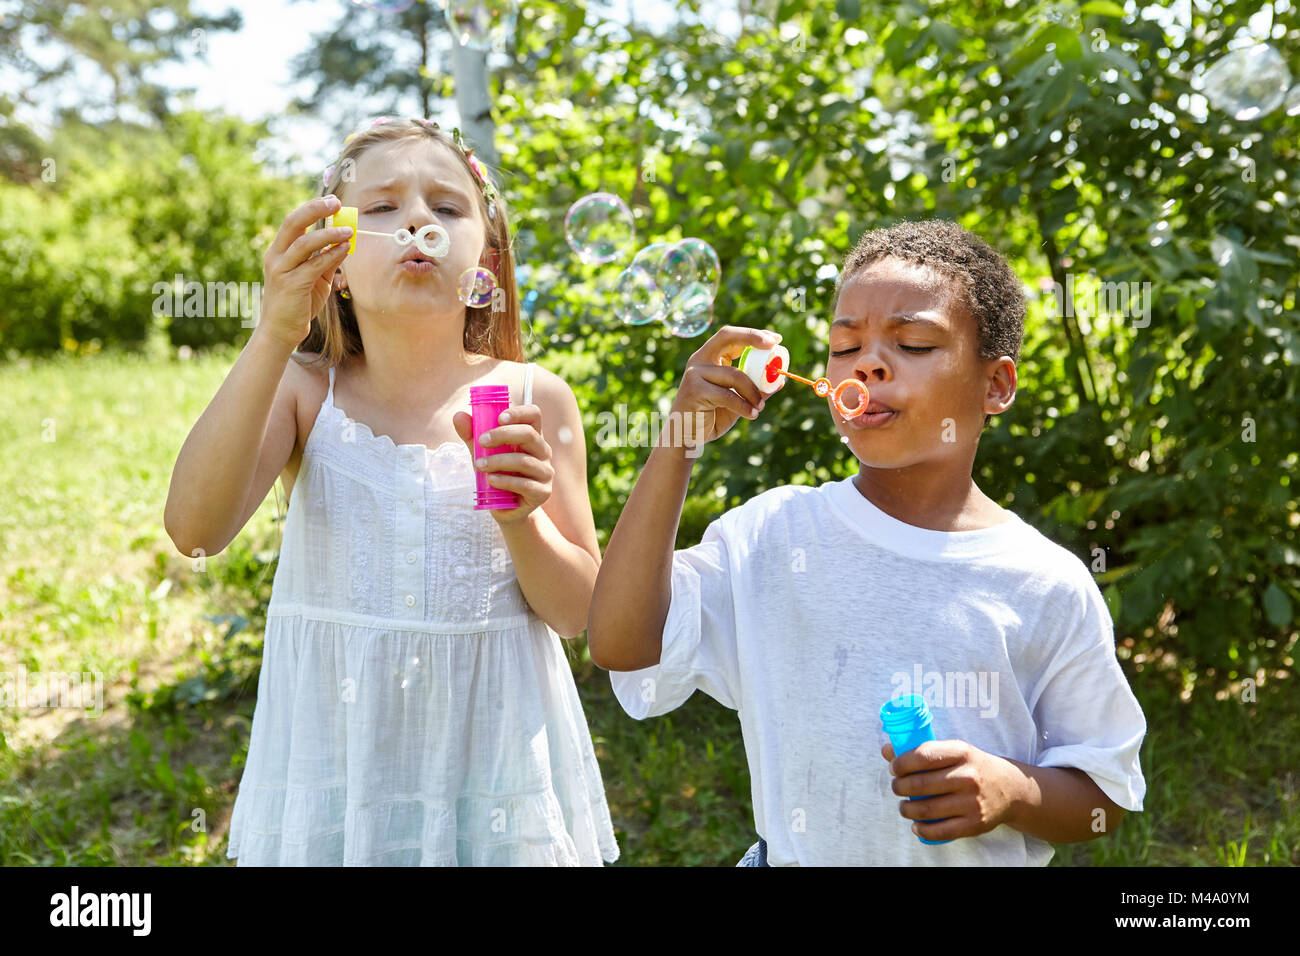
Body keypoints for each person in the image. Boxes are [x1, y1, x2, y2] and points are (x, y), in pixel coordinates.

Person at [587, 220, 1146, 866]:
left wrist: (1012, 792)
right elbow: (621, 644)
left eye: (911, 343)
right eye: (844, 346)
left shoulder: (1044, 582)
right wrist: (678, 439)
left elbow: (1105, 796)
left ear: (996, 386)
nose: (868, 364)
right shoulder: (774, 535)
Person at [164, 117, 619, 866]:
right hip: (345, 776)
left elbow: (580, 617)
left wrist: (520, 522)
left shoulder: (534, 397)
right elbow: (195, 530)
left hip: (493, 775)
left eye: (446, 206)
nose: (416, 221)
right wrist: (275, 332)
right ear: (334, 263)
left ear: (486, 258)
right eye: (380, 208)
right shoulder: (305, 392)